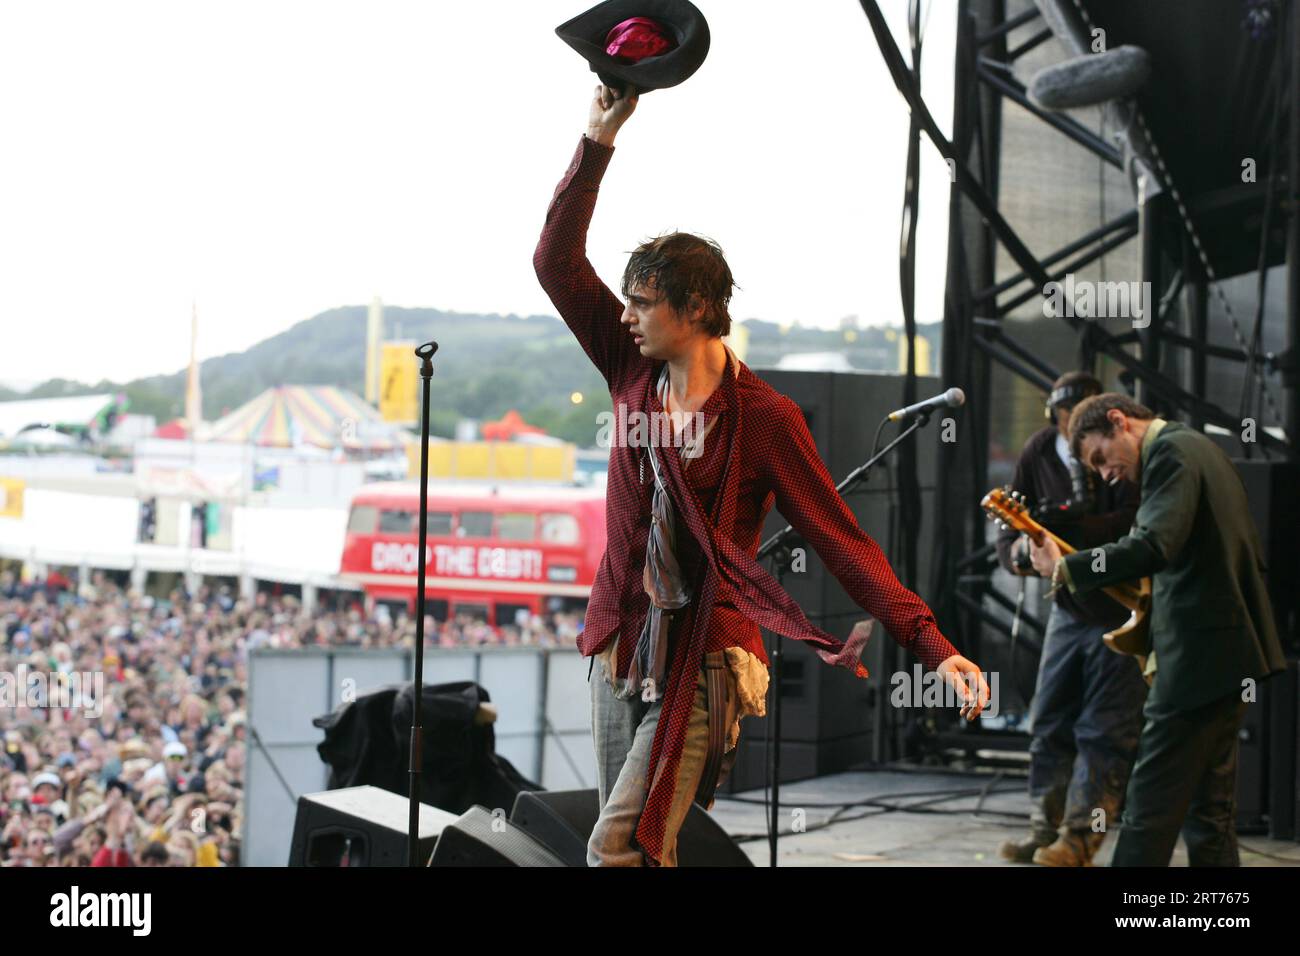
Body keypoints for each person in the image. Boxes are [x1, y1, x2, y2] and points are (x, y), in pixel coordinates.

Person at [533, 82, 990, 867]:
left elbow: (843, 542)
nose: (628, 316)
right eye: (630, 302)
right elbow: (555, 261)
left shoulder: (767, 420)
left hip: (706, 658)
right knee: (646, 851)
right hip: (618, 641)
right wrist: (597, 138)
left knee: (618, 846)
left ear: (699, 306)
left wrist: (930, 641)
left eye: (644, 303)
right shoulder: (626, 366)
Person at [1029, 393, 1286, 865]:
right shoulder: (1200, 447)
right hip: (1227, 658)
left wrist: (1068, 567)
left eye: (1101, 458)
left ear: (1119, 421)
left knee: (1150, 807)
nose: (1104, 473)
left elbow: (1153, 544)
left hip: (1195, 661)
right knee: (1210, 813)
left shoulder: (1170, 453)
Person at [995, 372, 1147, 866]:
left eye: (1081, 427)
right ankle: (1045, 831)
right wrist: (1023, 550)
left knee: (1104, 730)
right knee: (1049, 721)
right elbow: (1008, 541)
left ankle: (1079, 842)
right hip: (1068, 609)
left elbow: (1136, 526)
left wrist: (1073, 530)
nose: (1071, 436)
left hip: (1121, 612)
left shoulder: (1128, 457)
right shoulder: (1039, 451)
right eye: (1064, 425)